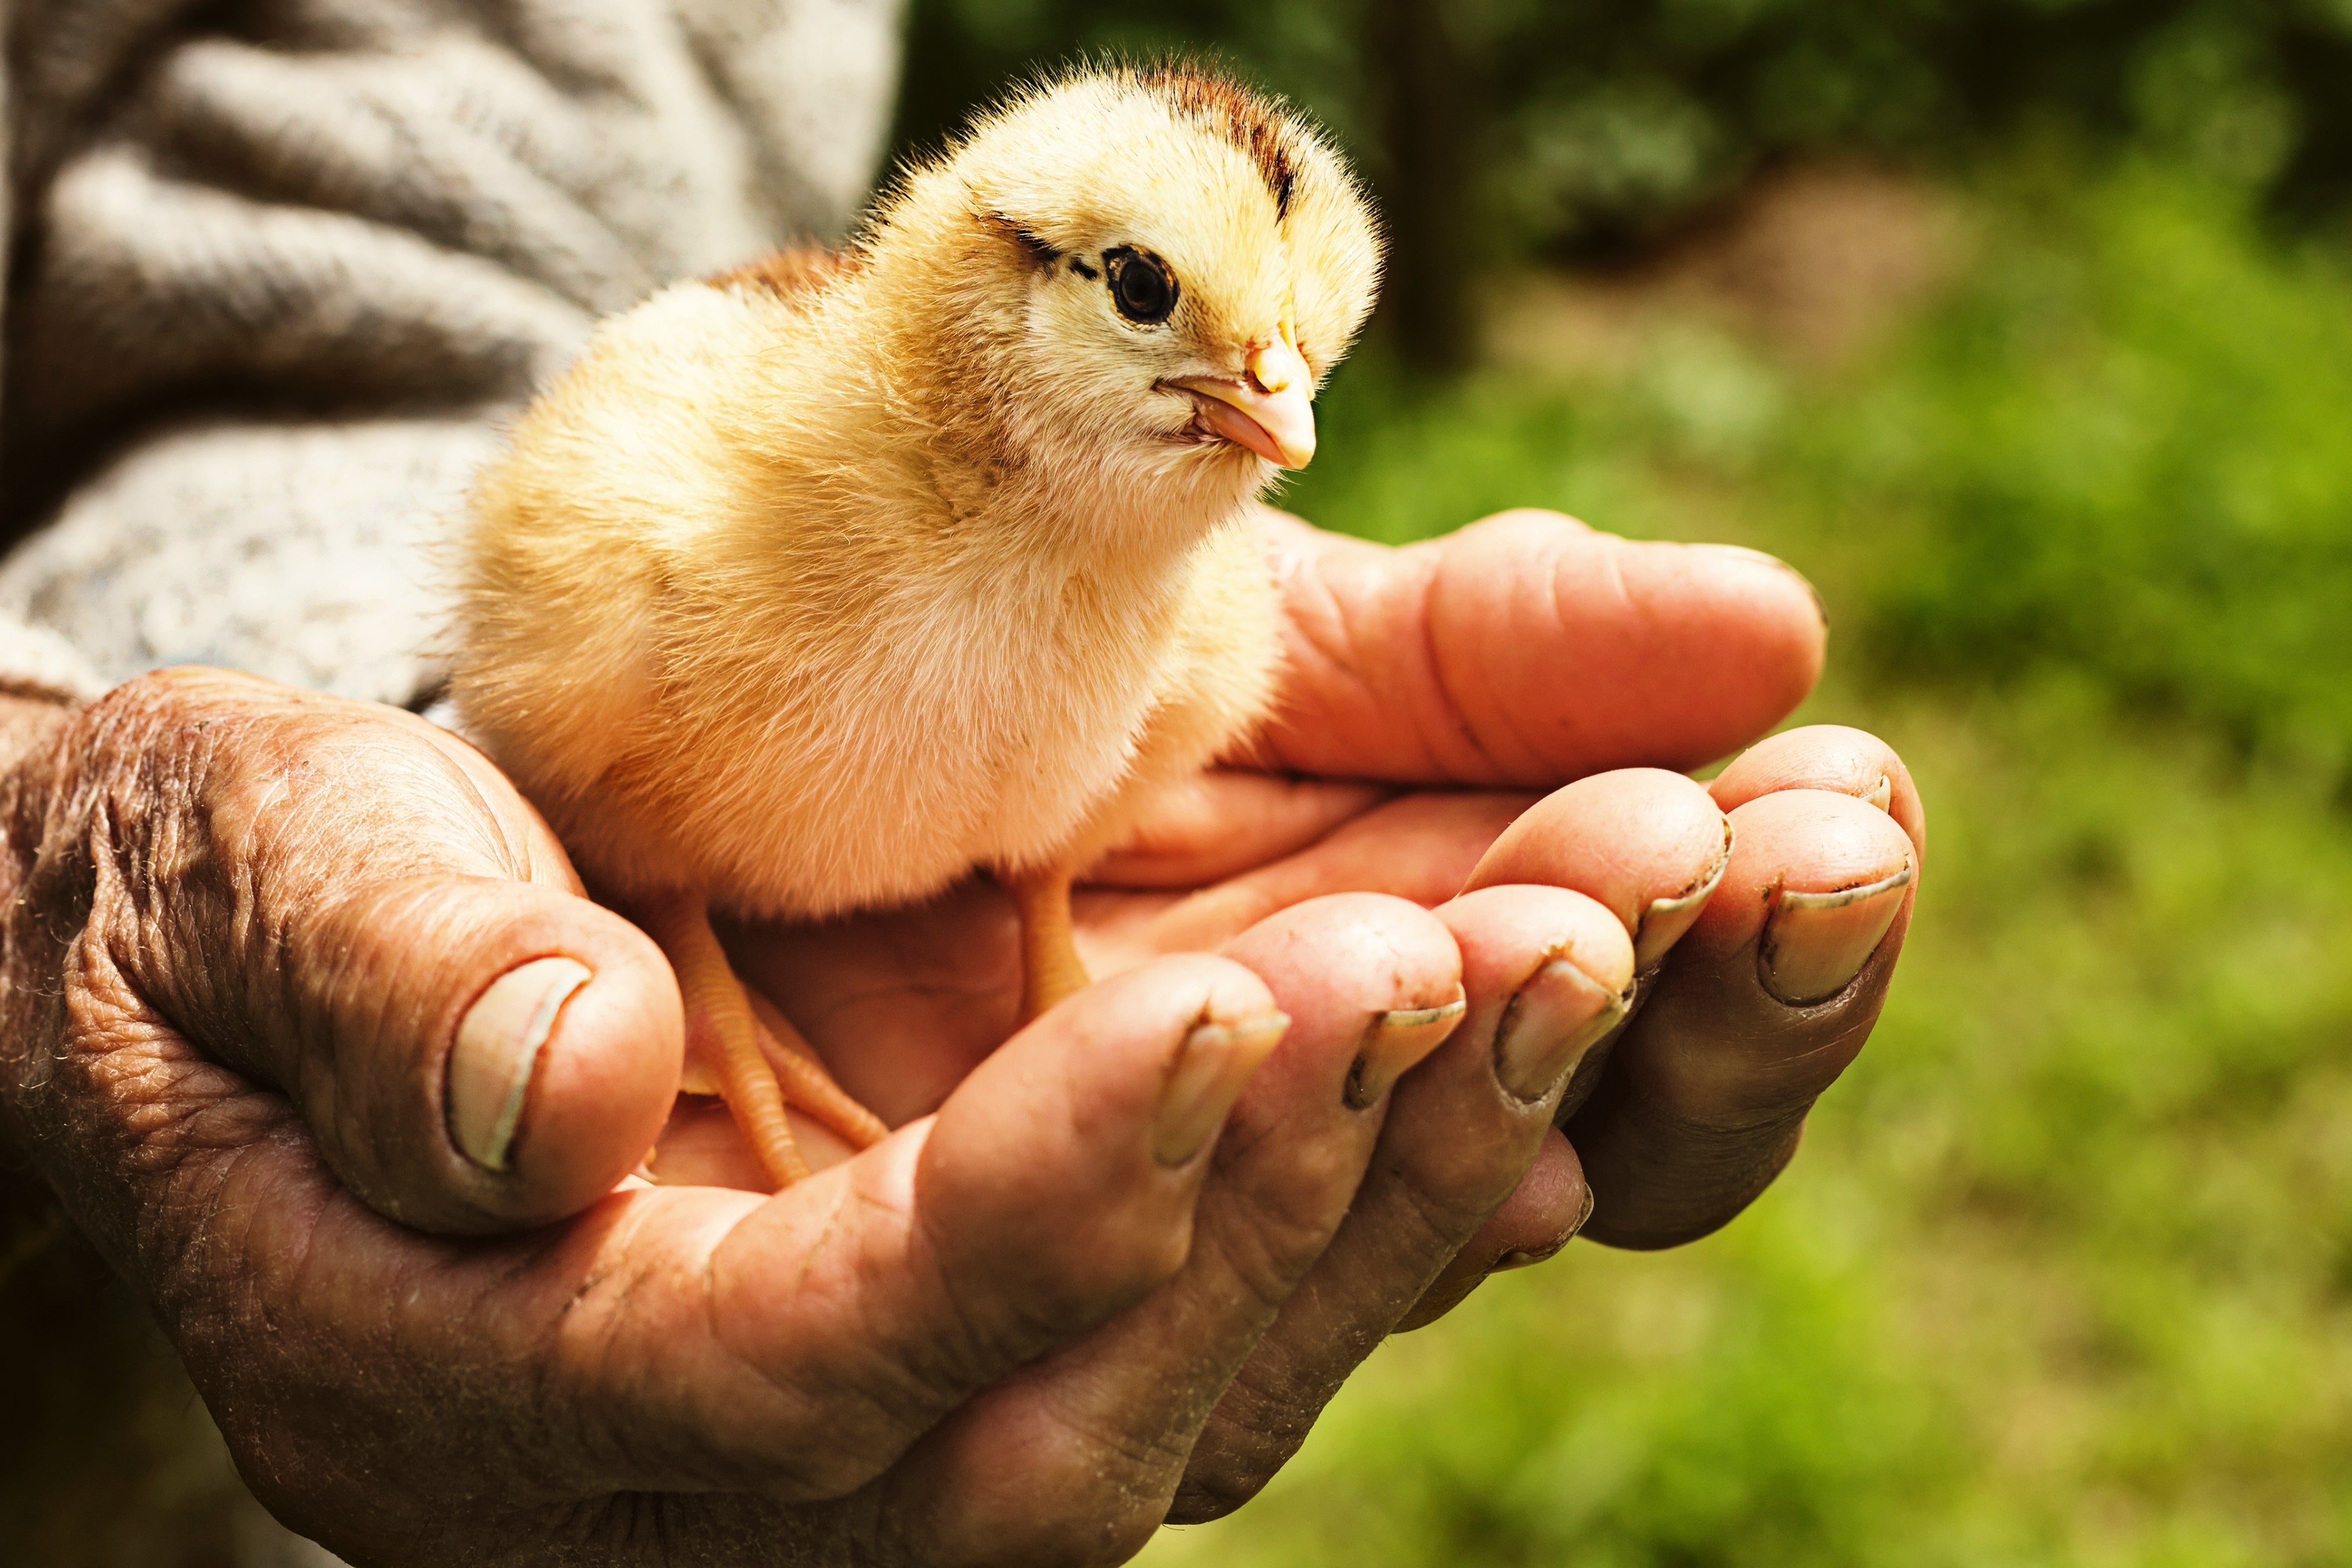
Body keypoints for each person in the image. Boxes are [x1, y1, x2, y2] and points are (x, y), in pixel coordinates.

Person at [0, 2, 1924, 1563]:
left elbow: (432, 146)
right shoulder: (692, 489)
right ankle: (696, 933)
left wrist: (1046, 900)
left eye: (1298, 353)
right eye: (1153, 300)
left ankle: (1029, 902)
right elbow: (524, 620)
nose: (1278, 406)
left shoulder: (1177, 595)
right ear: (999, 285)